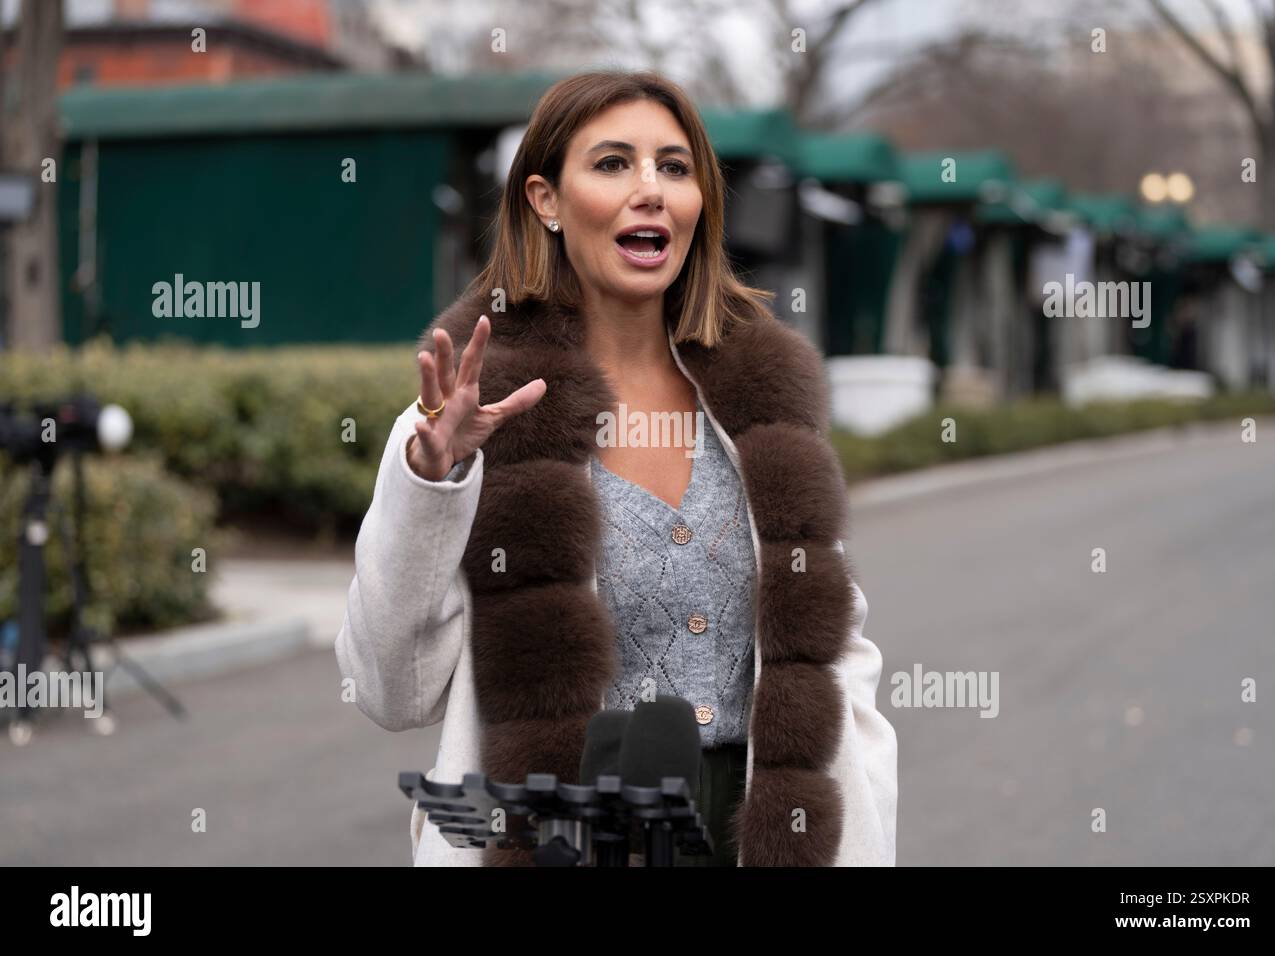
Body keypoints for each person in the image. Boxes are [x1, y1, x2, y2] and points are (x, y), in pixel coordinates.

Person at [335, 69, 897, 867]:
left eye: (675, 167)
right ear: (546, 200)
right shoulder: (474, 415)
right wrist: (429, 481)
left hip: (760, 835)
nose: (650, 191)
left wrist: (864, 796)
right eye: (611, 164)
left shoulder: (763, 410)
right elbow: (390, 689)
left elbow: (836, 650)